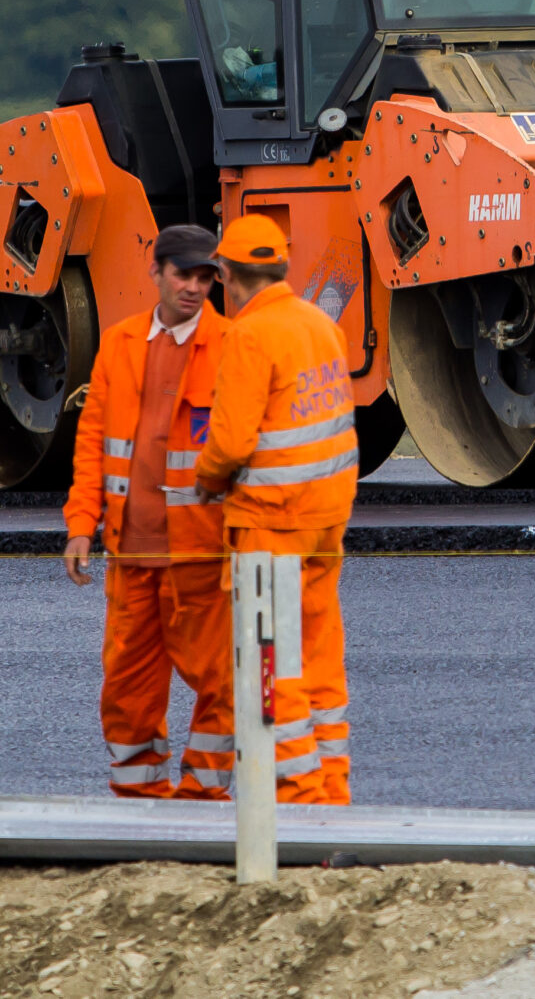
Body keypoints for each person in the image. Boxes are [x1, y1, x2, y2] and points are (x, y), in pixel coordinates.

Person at [63, 225, 237, 798]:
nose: (194, 287)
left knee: (219, 680)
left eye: (205, 277)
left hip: (202, 556)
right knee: (127, 687)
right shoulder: (119, 343)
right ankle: (138, 797)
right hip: (132, 554)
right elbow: (92, 440)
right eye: (183, 275)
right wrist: (81, 524)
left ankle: (203, 795)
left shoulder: (232, 346)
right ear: (155, 271)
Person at [192, 214, 358, 804]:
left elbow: (231, 443)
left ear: (227, 275)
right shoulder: (321, 324)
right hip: (327, 520)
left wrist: (206, 480)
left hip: (271, 523)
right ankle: (331, 789)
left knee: (273, 664)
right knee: (319, 660)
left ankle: (300, 797)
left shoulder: (249, 335)